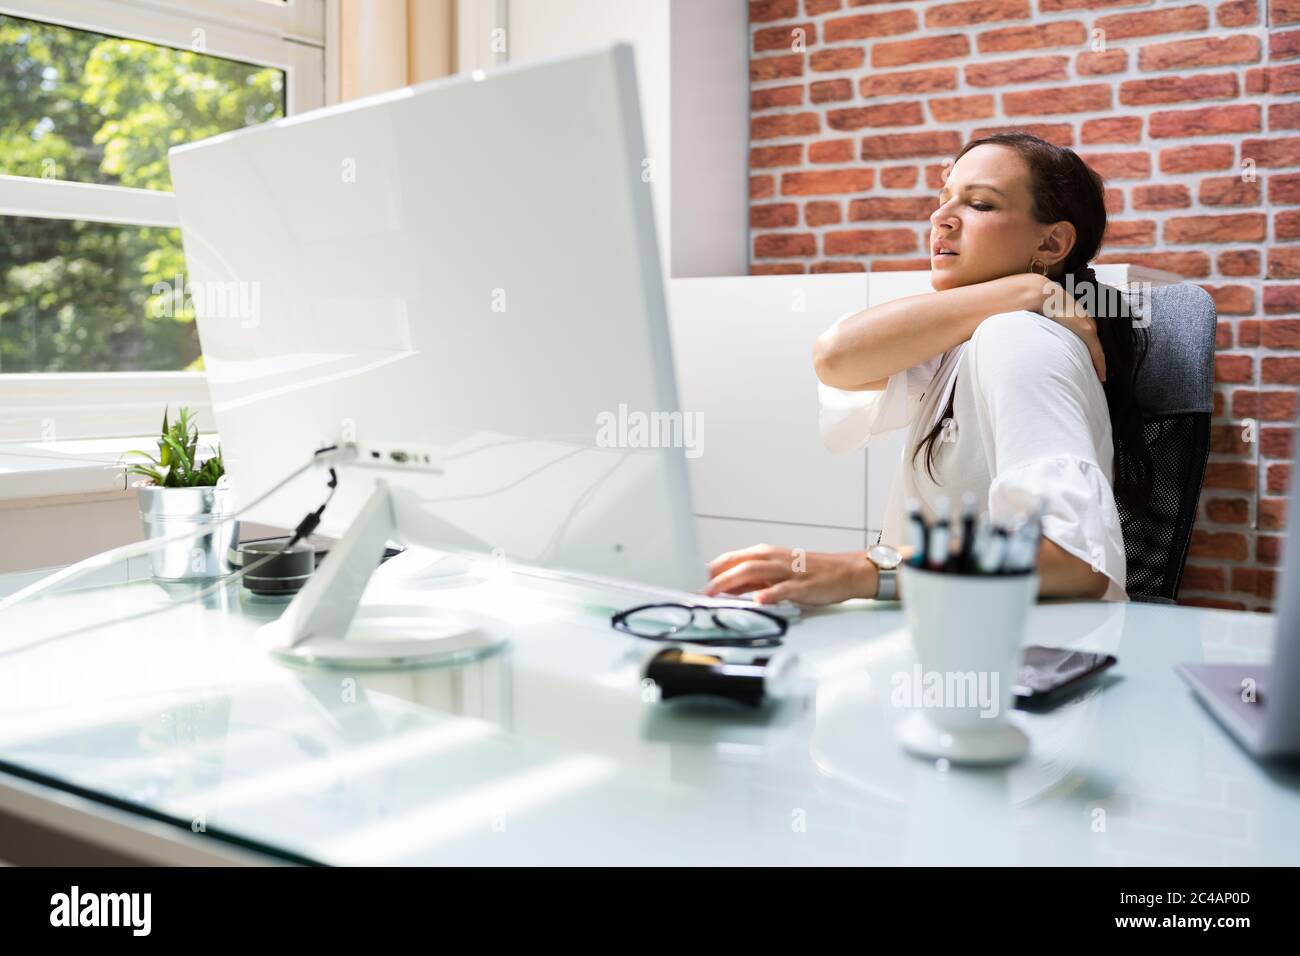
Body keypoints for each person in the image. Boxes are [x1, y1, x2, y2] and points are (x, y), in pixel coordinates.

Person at [704, 133, 1151, 606]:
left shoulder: (1021, 340)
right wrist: (1027, 289)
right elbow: (836, 358)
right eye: (943, 199)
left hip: (1028, 656)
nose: (942, 217)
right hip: (960, 635)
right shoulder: (968, 336)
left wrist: (863, 570)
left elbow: (1073, 561)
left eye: (979, 203)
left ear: (1052, 240)